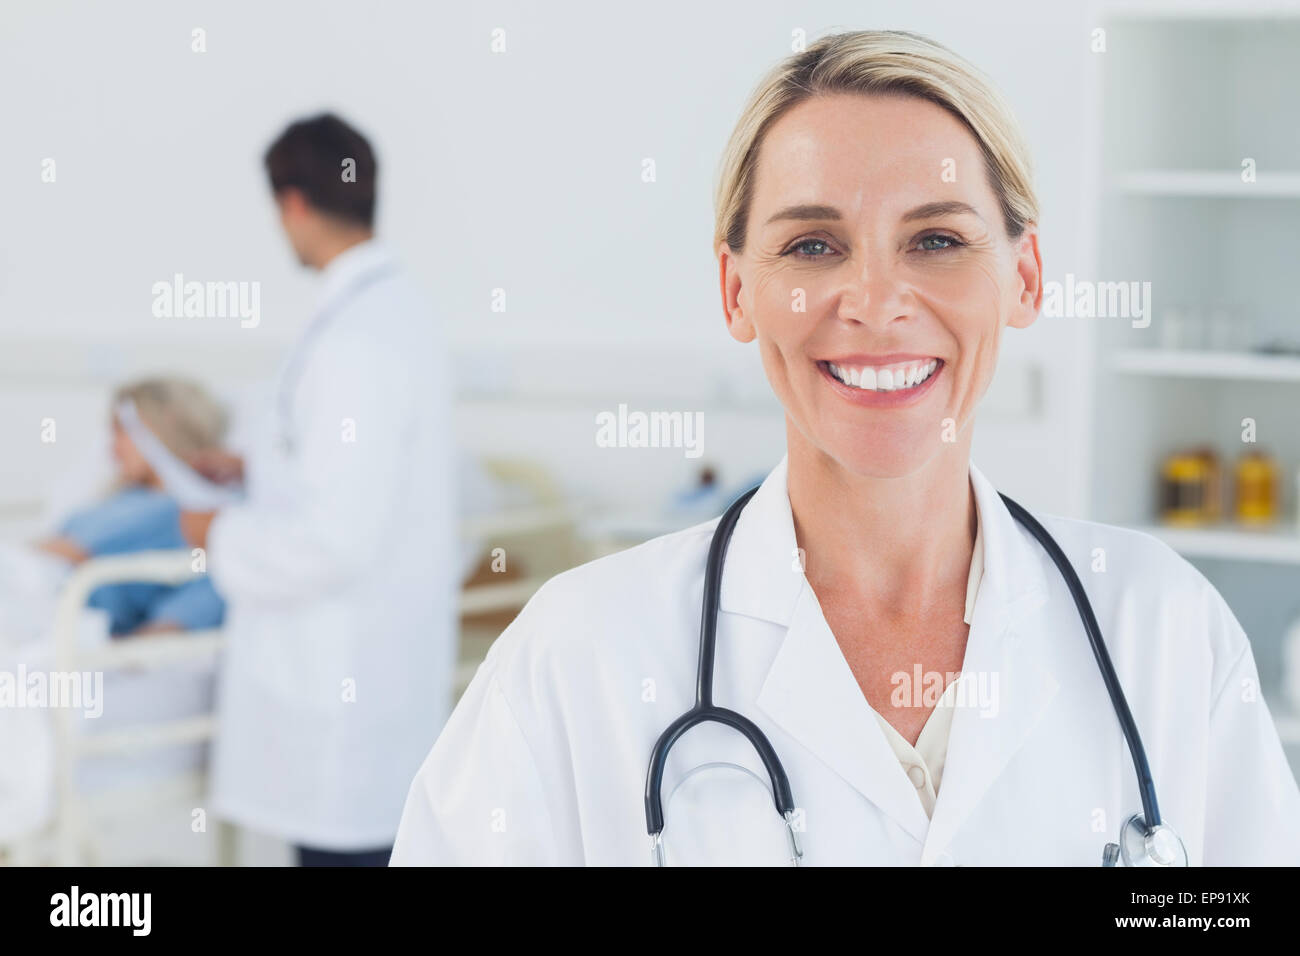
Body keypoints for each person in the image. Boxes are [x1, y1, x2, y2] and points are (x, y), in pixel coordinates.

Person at [390, 31, 1300, 866]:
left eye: (937, 239)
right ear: (737, 290)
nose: (874, 300)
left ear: (1023, 278)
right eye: (814, 245)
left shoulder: (1166, 632)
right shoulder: (578, 657)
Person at [182, 113, 457, 867]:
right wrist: (254, 467)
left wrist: (218, 535)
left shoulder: (358, 337)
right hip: (364, 682)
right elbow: (347, 464)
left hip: (346, 690)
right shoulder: (388, 314)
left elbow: (335, 538)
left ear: (293, 203)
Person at [35, 377, 227, 637]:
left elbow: (66, 553)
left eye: (122, 431)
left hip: (59, 611)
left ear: (159, 431)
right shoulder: (120, 497)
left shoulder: (182, 516)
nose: (112, 446)